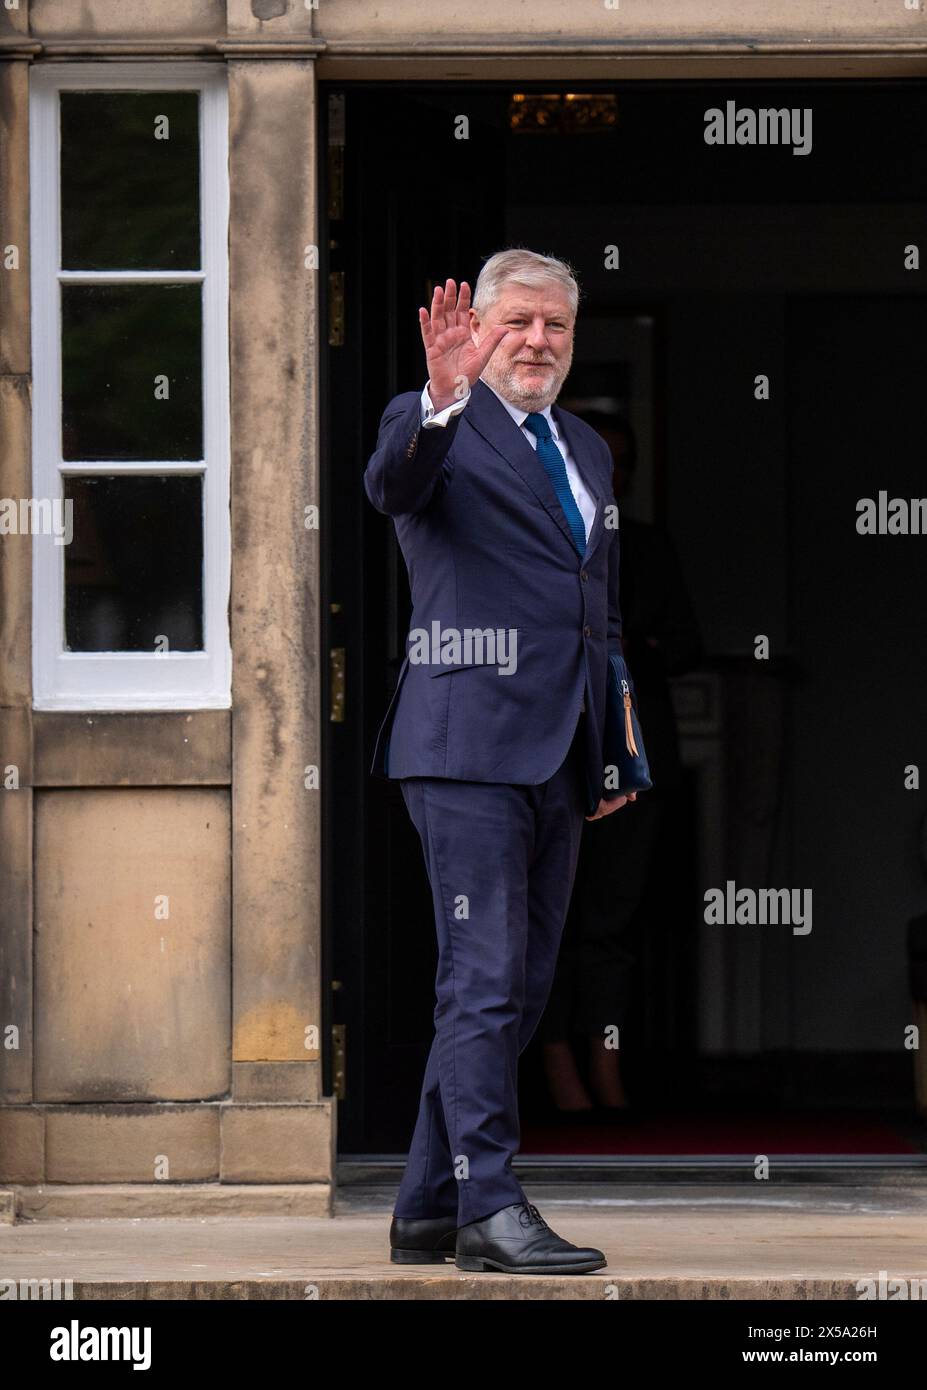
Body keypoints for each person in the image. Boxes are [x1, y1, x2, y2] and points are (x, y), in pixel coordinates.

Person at [364, 248, 638, 1275]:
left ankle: (429, 1207)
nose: (535, 341)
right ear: (475, 329)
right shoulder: (429, 420)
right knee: (479, 979)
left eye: (554, 326)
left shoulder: (585, 449)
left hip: (561, 751)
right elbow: (392, 484)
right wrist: (439, 397)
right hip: (465, 744)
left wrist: (614, 751)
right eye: (515, 321)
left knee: (517, 988)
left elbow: (597, 612)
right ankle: (491, 1204)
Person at [541, 413, 704, 1118]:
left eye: (624, 465)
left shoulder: (645, 545)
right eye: (600, 462)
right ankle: (556, 1075)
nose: (615, 476)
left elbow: (685, 645)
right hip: (547, 748)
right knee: (544, 917)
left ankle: (604, 1071)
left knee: (610, 920)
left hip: (634, 750)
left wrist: (628, 643)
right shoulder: (539, 539)